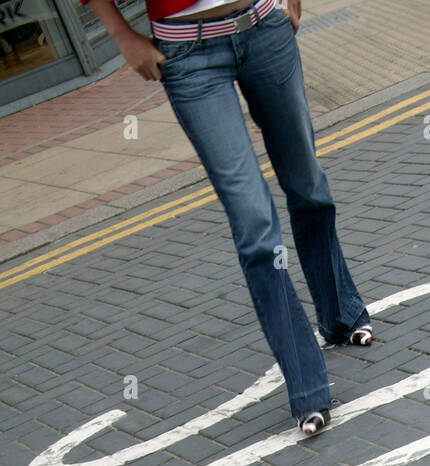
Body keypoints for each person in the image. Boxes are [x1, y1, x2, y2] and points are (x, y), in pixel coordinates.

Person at [83, 0, 373, 436]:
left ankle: (340, 314)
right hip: (187, 54)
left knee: (308, 185)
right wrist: (122, 35)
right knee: (255, 226)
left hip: (263, 29)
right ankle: (307, 387)